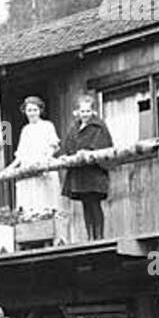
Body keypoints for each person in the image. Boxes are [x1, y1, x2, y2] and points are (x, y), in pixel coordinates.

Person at [59, 94, 114, 241]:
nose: (85, 114)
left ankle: (99, 236)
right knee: (85, 204)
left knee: (94, 203)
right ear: (78, 111)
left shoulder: (99, 126)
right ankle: (90, 236)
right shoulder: (74, 127)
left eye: (88, 111)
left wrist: (89, 151)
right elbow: (68, 145)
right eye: (82, 111)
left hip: (93, 172)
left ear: (93, 111)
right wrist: (66, 154)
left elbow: (103, 144)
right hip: (79, 173)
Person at [8, 96, 61, 215]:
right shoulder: (25, 130)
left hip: (44, 164)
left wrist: (45, 161)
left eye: (35, 110)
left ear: (40, 111)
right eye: (29, 110)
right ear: (25, 112)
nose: (32, 113)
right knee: (30, 201)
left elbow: (53, 146)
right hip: (28, 167)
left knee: (46, 200)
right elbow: (21, 154)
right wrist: (10, 167)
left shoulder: (47, 125)